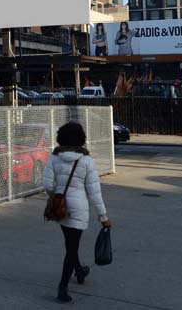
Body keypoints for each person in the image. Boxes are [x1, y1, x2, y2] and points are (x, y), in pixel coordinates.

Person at [43, 122, 112, 303]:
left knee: (70, 245)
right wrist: (103, 217)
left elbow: (47, 184)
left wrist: (57, 197)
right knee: (72, 248)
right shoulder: (87, 161)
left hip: (61, 209)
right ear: (81, 138)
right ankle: (63, 287)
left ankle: (80, 271)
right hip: (79, 209)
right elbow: (94, 192)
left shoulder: (54, 157)